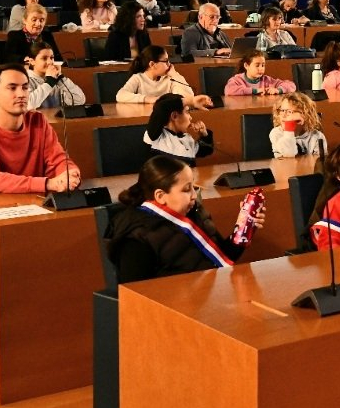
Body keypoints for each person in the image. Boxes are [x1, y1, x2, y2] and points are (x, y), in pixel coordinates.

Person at [106, 156, 261, 283]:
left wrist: (244, 227)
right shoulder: (136, 237)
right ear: (160, 196)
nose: (194, 195)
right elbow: (136, 297)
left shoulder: (194, 213)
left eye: (194, 187)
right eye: (187, 189)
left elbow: (222, 258)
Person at [0, 66, 80, 193]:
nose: (21, 94)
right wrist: (48, 184)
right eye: (12, 88)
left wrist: (69, 173)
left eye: (25, 88)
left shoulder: (38, 121)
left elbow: (58, 160)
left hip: (31, 202)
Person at [135, 92, 214, 168]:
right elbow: (162, 107)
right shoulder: (155, 136)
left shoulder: (187, 139)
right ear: (174, 116)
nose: (190, 117)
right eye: (187, 112)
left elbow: (206, 150)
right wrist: (191, 101)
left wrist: (204, 135)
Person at [116, 46, 209, 106]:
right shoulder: (138, 78)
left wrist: (174, 74)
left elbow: (188, 96)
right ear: (152, 64)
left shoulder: (169, 79)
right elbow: (120, 95)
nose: (169, 64)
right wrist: (148, 99)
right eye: (165, 61)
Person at [23, 40, 85, 110]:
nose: (50, 62)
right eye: (44, 58)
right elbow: (28, 104)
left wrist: (61, 79)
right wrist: (49, 83)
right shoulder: (25, 80)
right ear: (32, 61)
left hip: (58, 120)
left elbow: (79, 101)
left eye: (52, 58)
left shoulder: (57, 80)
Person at [270, 92, 328, 158]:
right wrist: (289, 127)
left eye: (289, 111)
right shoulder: (276, 133)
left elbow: (319, 163)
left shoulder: (317, 136)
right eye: (282, 110)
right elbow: (289, 157)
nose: (283, 115)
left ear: (304, 115)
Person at [225, 52, 296, 97]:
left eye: (263, 65)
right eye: (257, 65)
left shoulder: (267, 80)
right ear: (246, 65)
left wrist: (278, 90)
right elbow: (229, 90)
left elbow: (291, 85)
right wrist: (255, 91)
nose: (261, 69)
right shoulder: (237, 80)